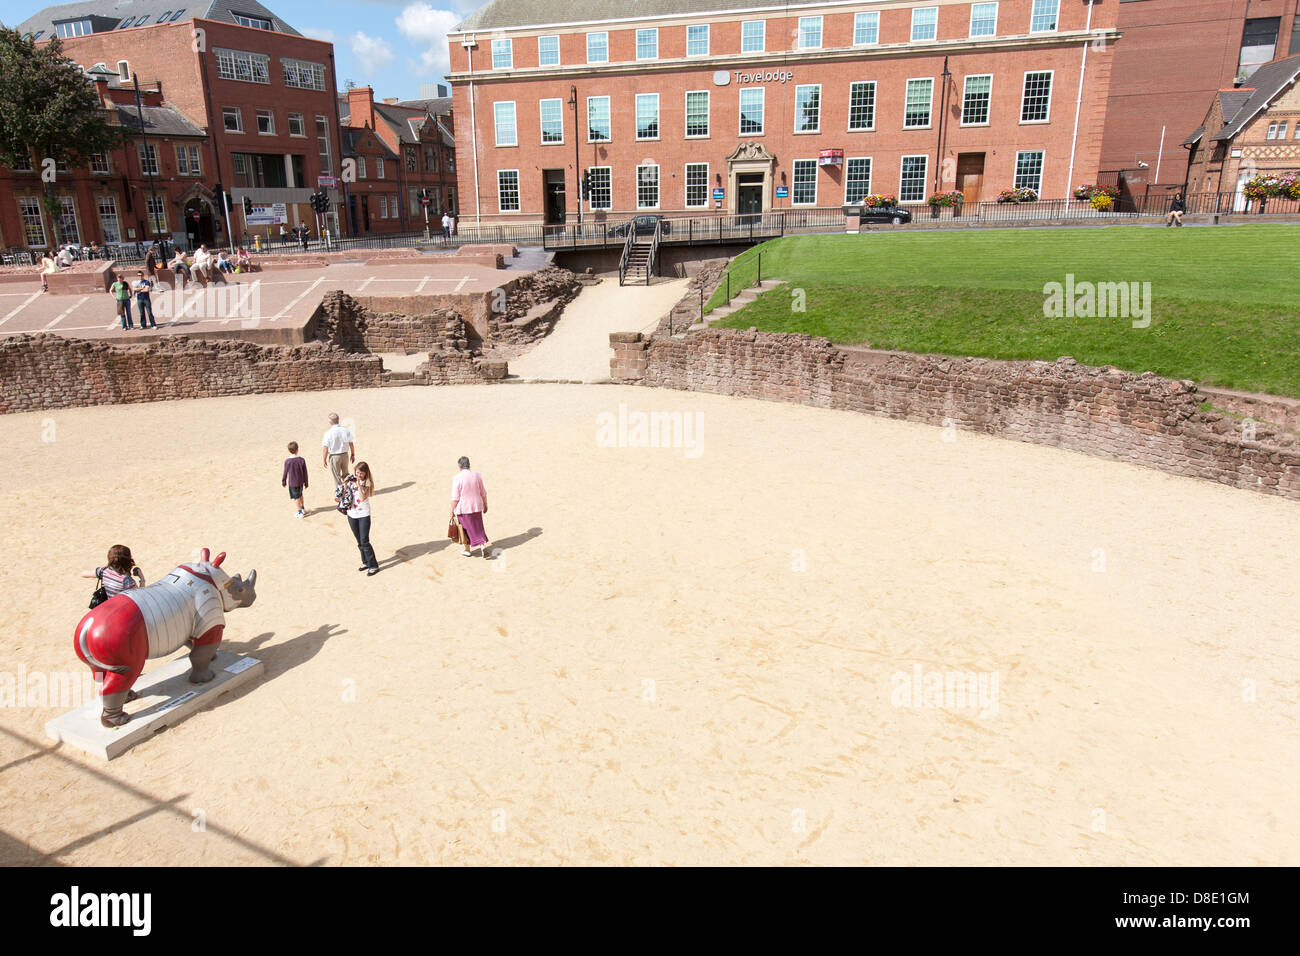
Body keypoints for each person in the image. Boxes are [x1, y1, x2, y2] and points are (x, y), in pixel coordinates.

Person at [339, 461, 379, 575]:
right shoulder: (351, 481)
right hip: (352, 514)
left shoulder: (367, 482)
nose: (359, 475)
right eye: (357, 472)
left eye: (361, 473)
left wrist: (358, 483)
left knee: (364, 541)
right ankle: (365, 561)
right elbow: (341, 496)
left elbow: (362, 498)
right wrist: (345, 484)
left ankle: (373, 565)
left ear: (365, 473)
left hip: (363, 515)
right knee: (359, 541)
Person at [450, 456, 490, 557]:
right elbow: (483, 493)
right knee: (478, 526)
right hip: (477, 505)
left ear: (459, 466)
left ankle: (467, 550)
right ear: (469, 465)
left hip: (463, 508)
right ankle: (482, 545)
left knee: (465, 529)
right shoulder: (477, 475)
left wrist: (451, 511)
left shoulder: (457, 478)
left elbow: (455, 497)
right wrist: (485, 504)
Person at [81, 544, 146, 598]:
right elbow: (139, 596)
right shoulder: (127, 580)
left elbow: (83, 574)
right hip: (123, 609)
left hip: (111, 605)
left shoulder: (104, 571)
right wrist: (142, 578)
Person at [321, 412, 355, 489]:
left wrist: (324, 459)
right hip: (345, 455)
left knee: (337, 476)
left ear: (330, 422)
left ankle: (340, 493)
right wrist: (353, 454)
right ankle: (348, 490)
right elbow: (351, 443)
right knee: (346, 474)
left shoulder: (328, 433)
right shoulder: (345, 430)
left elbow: (325, 448)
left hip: (334, 456)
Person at [282, 440, 309, 518]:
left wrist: (284, 481)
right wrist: (306, 482)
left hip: (293, 483)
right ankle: (303, 508)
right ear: (297, 449)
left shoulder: (288, 461)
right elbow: (305, 472)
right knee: (300, 495)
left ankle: (300, 511)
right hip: (300, 481)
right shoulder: (301, 460)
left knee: (296, 497)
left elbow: (285, 472)